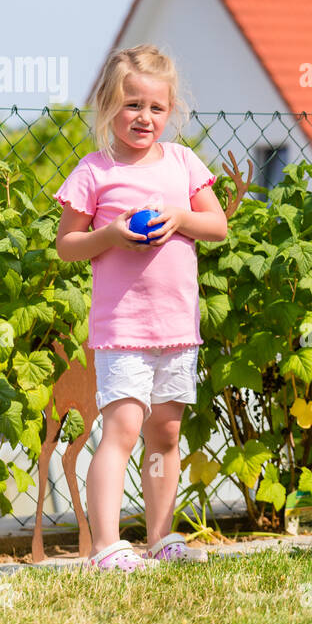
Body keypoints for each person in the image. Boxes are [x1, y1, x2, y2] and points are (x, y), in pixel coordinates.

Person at [55, 44, 228, 571]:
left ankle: (161, 537)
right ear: (109, 105)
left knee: (166, 434)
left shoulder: (182, 162)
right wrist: (110, 234)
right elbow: (67, 245)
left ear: (170, 110)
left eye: (156, 107)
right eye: (132, 105)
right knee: (122, 430)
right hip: (123, 330)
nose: (144, 117)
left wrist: (180, 216)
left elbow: (217, 226)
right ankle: (106, 546)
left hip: (177, 327)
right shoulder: (95, 170)